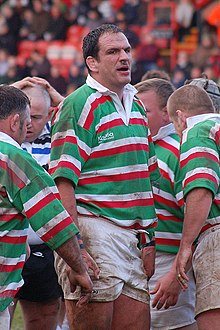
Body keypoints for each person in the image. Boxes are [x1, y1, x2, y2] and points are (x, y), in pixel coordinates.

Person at [49, 23, 160, 330]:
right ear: (92, 63)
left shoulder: (137, 105)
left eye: (126, 50)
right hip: (93, 229)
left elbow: (145, 183)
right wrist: (76, 250)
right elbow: (62, 182)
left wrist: (149, 238)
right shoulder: (79, 104)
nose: (124, 57)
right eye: (113, 51)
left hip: (132, 239)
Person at [0, 84, 94, 330]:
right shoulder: (12, 156)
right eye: (26, 119)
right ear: (15, 121)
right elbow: (53, 221)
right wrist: (79, 266)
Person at [135, 78, 197, 330]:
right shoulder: (141, 147)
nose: (137, 116)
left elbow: (198, 222)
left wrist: (176, 274)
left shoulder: (178, 153)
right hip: (138, 261)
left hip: (168, 265)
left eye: (144, 110)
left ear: (166, 113)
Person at [8, 77, 65, 330]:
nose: (29, 123)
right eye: (25, 115)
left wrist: (57, 96)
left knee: (41, 318)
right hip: (7, 246)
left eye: (38, 117)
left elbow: (87, 124)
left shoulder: (59, 140)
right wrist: (9, 93)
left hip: (43, 248)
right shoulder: (4, 138)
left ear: (51, 114)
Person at [167, 84, 220, 330]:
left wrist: (186, 245)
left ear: (180, 116)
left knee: (212, 317)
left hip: (216, 231)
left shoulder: (197, 131)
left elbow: (202, 186)